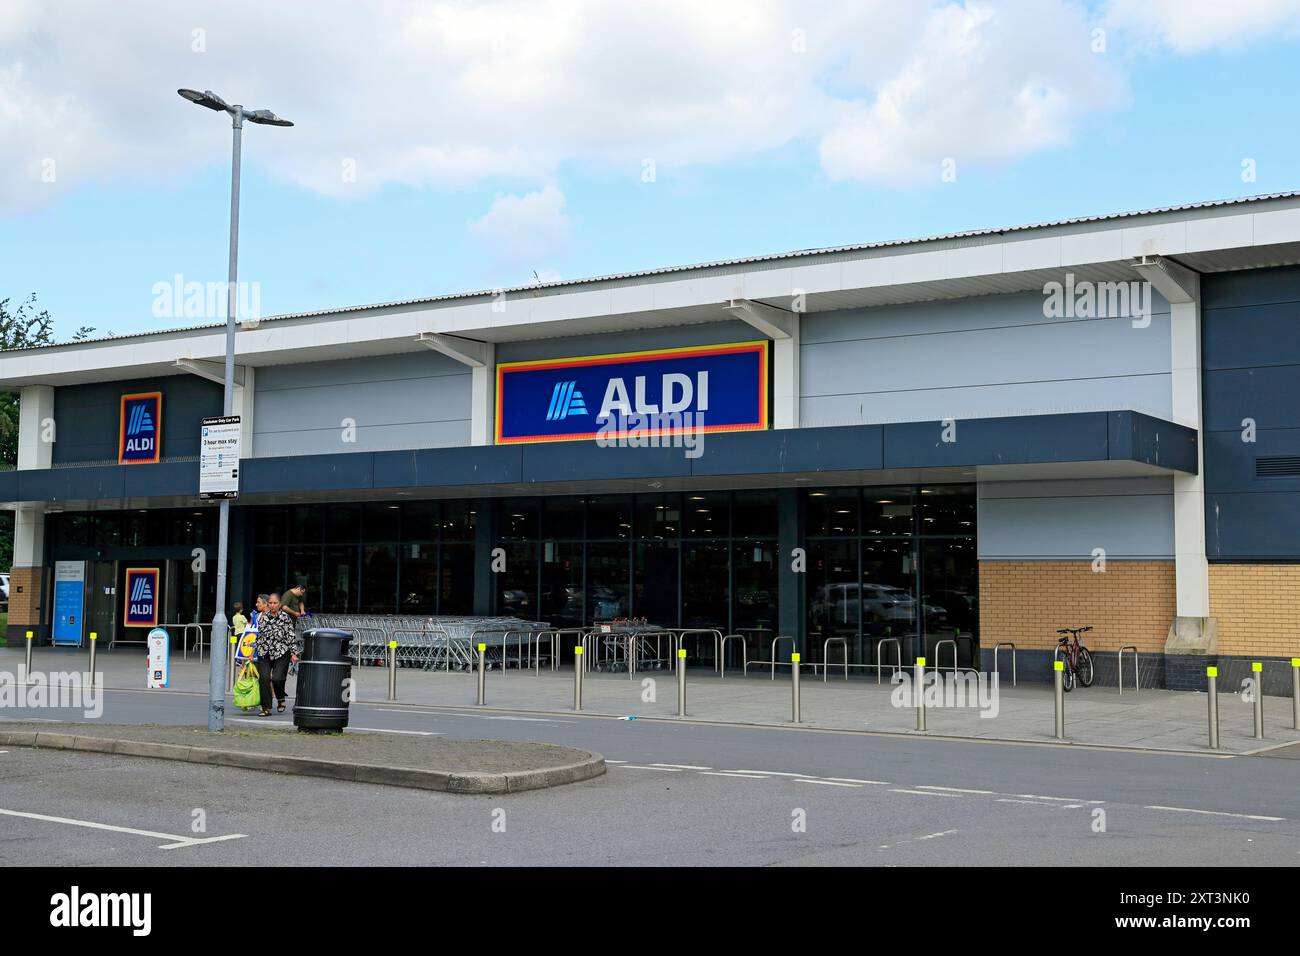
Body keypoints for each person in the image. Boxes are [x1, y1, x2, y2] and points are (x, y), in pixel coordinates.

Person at [254, 592, 299, 716]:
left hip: (281, 652)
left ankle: (280, 698)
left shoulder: (285, 617)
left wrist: (294, 653)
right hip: (264, 652)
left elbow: (290, 635)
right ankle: (266, 708)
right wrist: (252, 651)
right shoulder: (262, 617)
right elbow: (258, 636)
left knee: (277, 678)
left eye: (275, 603)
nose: (273, 605)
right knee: (264, 679)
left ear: (280, 604)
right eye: (270, 603)